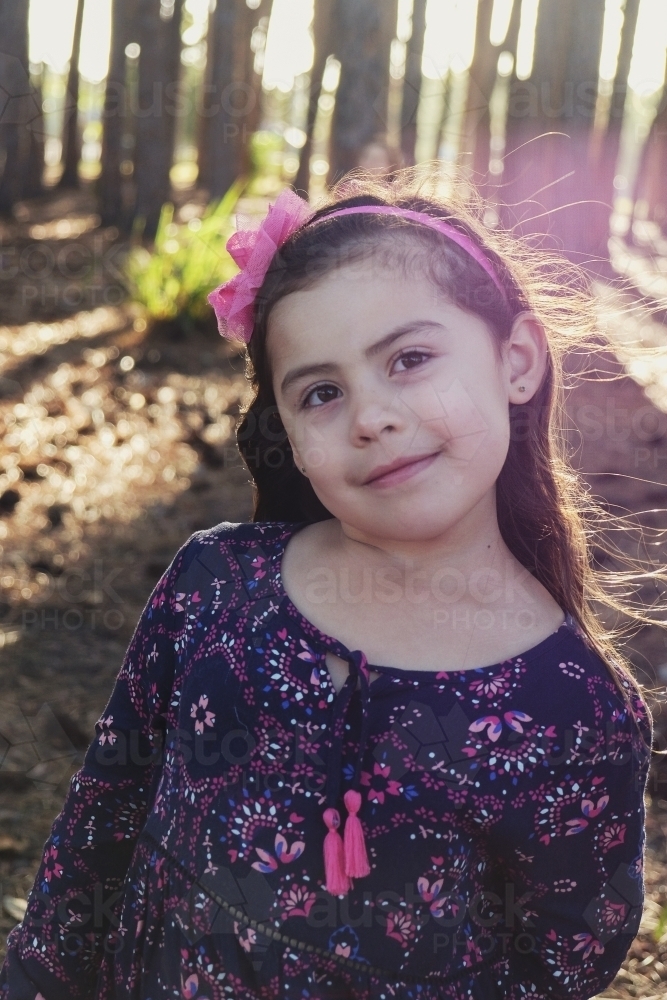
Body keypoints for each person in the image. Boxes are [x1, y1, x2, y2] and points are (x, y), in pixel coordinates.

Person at [0, 165, 660, 1000]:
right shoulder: (217, 583)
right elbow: (103, 813)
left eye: (411, 359)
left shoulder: (575, 707)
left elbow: (561, 964)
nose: (370, 416)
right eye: (320, 392)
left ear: (517, 361)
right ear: (284, 429)